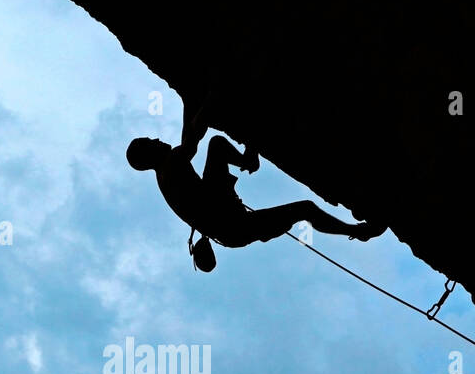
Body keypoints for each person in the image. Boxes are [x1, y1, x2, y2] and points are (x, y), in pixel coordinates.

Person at [126, 97, 385, 271]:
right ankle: (358, 231)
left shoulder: (166, 175)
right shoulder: (170, 165)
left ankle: (248, 160)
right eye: (151, 141)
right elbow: (191, 138)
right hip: (230, 222)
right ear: (149, 154)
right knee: (304, 208)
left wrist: (191, 102)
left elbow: (189, 138)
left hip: (227, 224)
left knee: (303, 209)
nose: (158, 139)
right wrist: (201, 103)